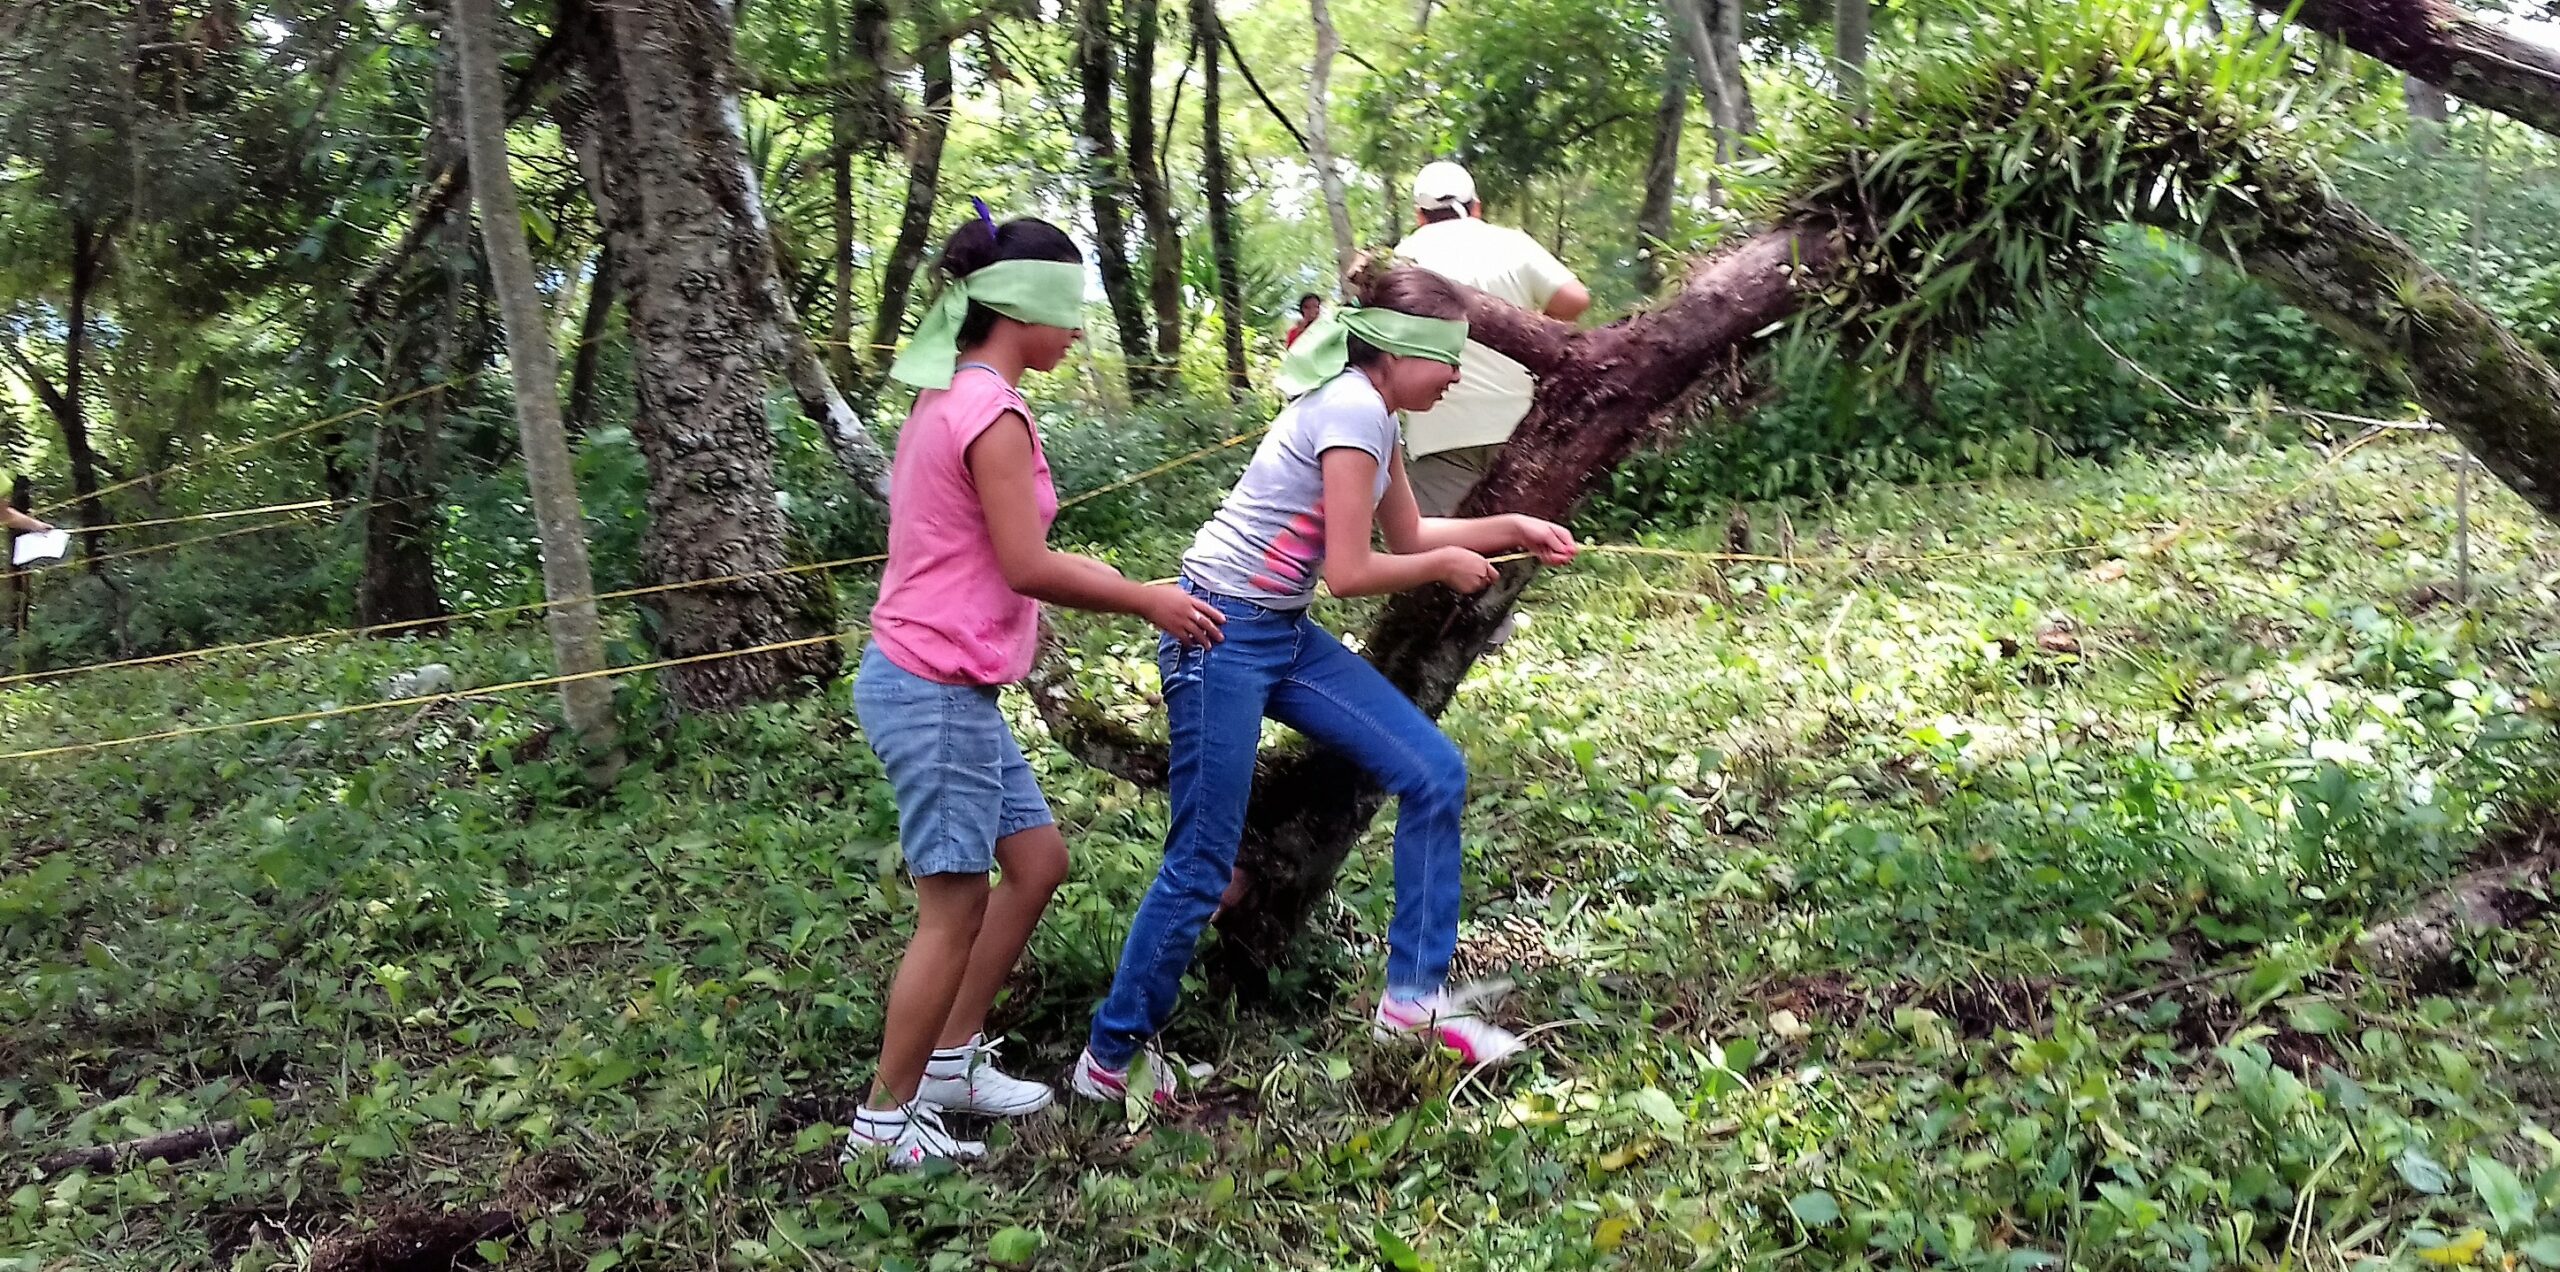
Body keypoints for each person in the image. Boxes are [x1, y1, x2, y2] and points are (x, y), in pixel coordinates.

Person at [1073, 267, 1579, 1104]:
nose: (1457, 373)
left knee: (1433, 772)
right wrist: (1445, 569)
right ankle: (1110, 1056)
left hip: (1279, 633)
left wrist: (1512, 525)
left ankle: (1411, 1002)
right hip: (1217, 635)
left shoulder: (1376, 414)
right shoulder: (1348, 412)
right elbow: (1352, 571)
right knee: (1202, 861)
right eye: (1448, 357)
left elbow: (1408, 529)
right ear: (1397, 351)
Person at [843, 207, 1227, 1169]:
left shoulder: (954, 396)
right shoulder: (991, 412)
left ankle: (951, 1062)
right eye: (1071, 312)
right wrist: (1148, 598)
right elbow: (1025, 563)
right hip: (930, 685)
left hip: (946, 684)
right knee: (954, 903)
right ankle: (884, 1124)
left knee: (1040, 861)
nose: (1079, 332)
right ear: (1021, 310)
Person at [1394, 161, 1592, 518]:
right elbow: (1575, 300)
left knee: (1442, 552)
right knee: (1516, 543)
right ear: (1477, 207)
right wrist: (1532, 323)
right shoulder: (1511, 243)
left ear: (1420, 215)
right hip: (1519, 424)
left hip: (1441, 432)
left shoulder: (1402, 260)